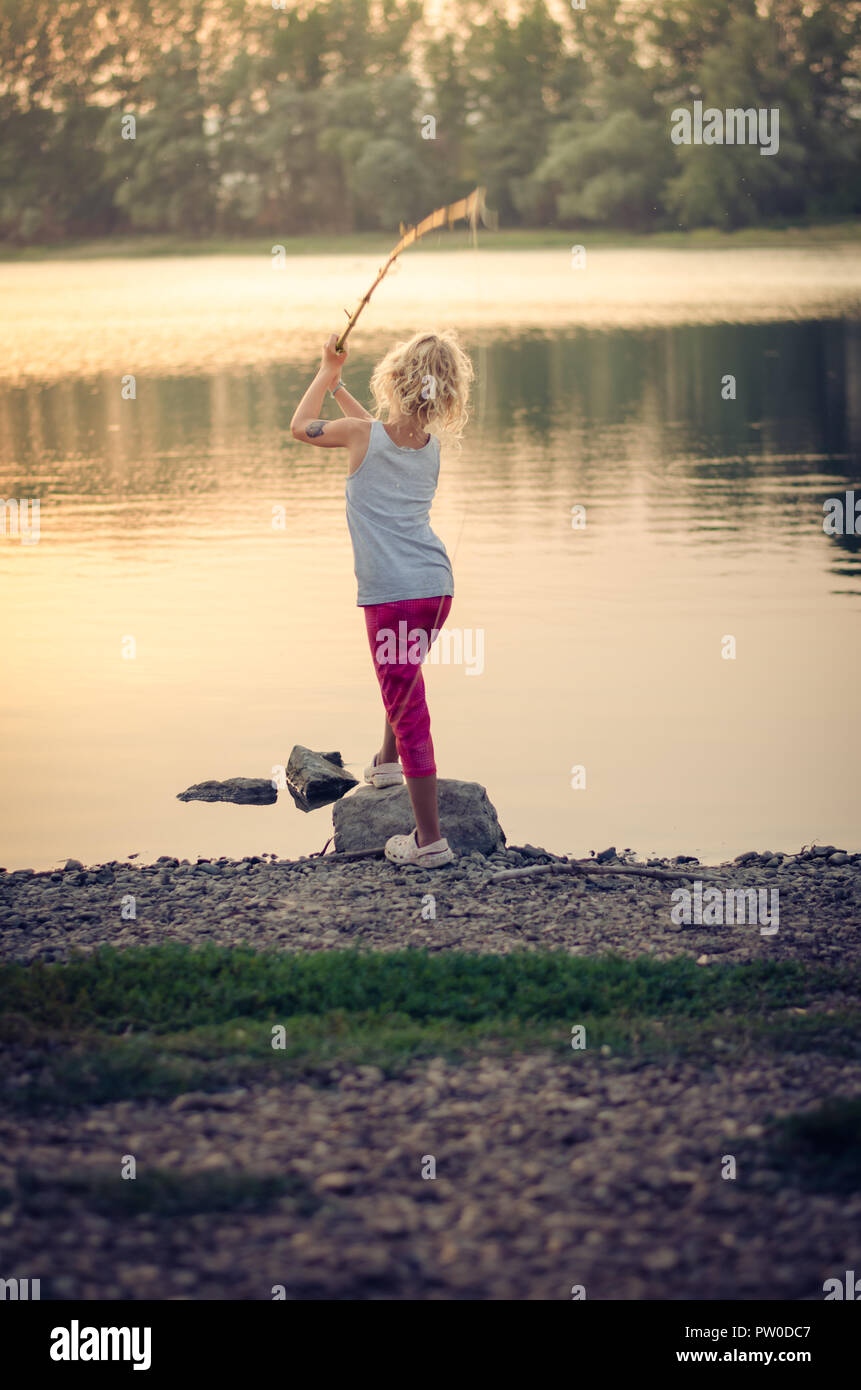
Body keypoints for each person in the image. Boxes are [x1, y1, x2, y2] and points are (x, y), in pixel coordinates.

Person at [290, 329, 473, 866]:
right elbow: (377, 431)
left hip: (392, 594)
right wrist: (342, 388)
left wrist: (325, 372)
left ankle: (429, 842)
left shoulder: (359, 434)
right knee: (404, 676)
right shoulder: (429, 447)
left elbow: (300, 427)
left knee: (407, 701)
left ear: (392, 381)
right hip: (435, 588)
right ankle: (387, 764)